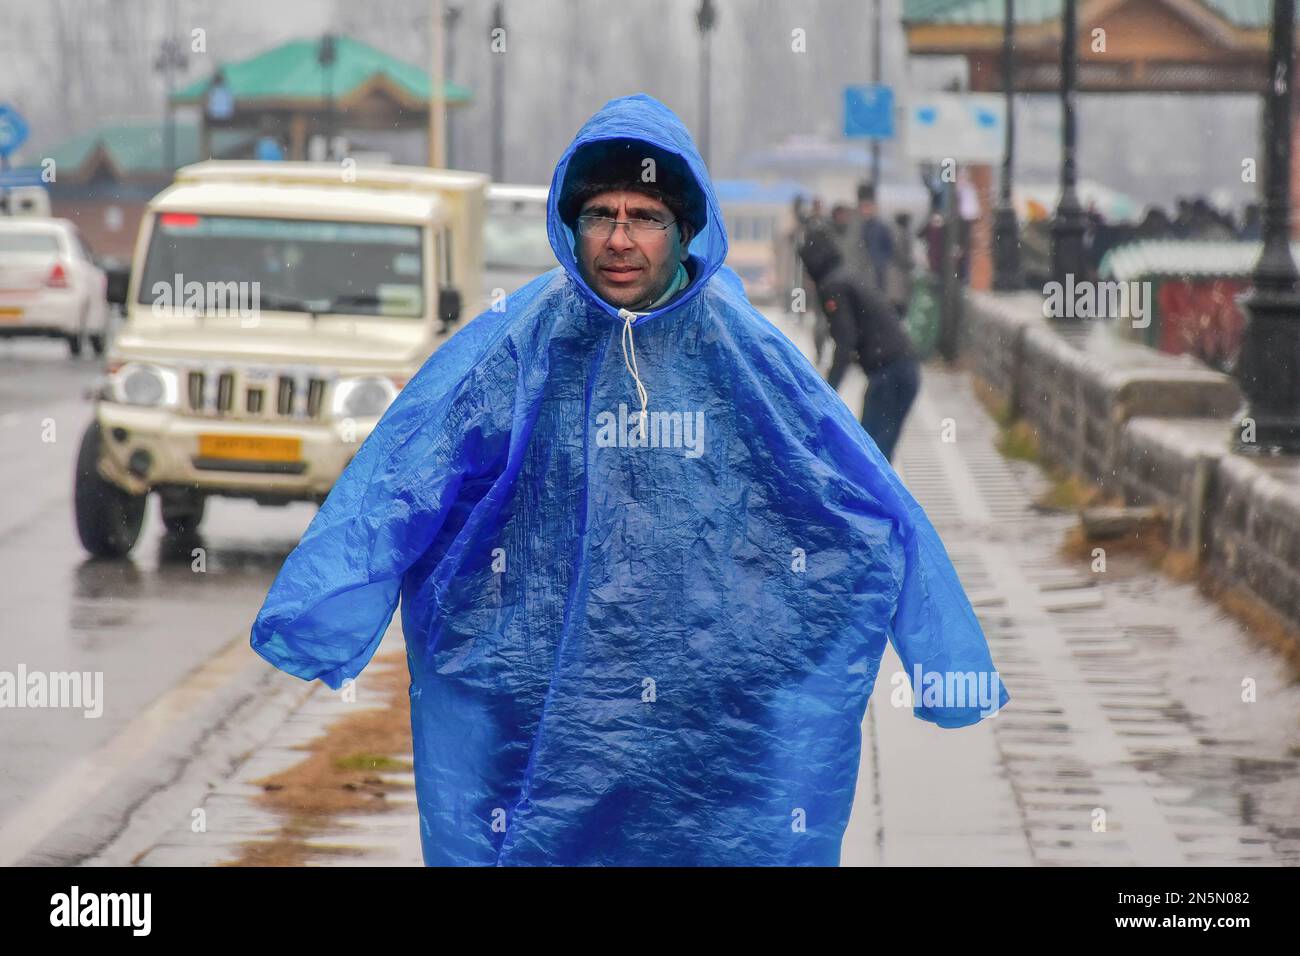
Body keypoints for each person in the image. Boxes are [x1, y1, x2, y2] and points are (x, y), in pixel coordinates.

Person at [249, 93, 1008, 867]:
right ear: (570, 227)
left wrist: (938, 658)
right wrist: (325, 606)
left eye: (644, 216)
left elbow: (865, 496)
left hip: (709, 720)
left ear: (684, 230)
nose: (619, 239)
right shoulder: (519, 349)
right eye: (599, 215)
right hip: (537, 708)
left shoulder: (744, 354)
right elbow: (403, 478)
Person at [799, 220, 920, 463]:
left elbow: (846, 341)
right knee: (878, 456)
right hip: (904, 370)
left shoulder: (832, 286)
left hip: (889, 375)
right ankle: (884, 501)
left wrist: (826, 392)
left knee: (868, 460)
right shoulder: (846, 276)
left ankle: (876, 502)